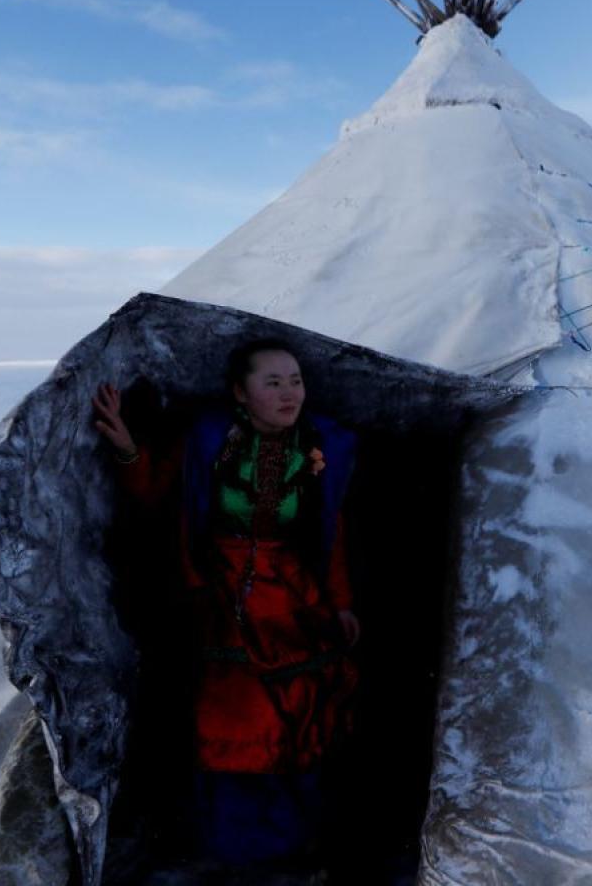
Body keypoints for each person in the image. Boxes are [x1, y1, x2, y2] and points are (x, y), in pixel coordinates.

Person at [92, 339, 361, 871]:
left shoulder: (319, 446)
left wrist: (342, 603)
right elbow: (153, 492)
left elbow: (331, 534)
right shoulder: (209, 440)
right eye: (273, 382)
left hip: (295, 600)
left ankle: (292, 846)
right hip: (225, 598)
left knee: (302, 714)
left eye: (296, 381)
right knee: (232, 718)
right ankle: (232, 849)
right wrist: (126, 446)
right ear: (241, 392)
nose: (289, 394)